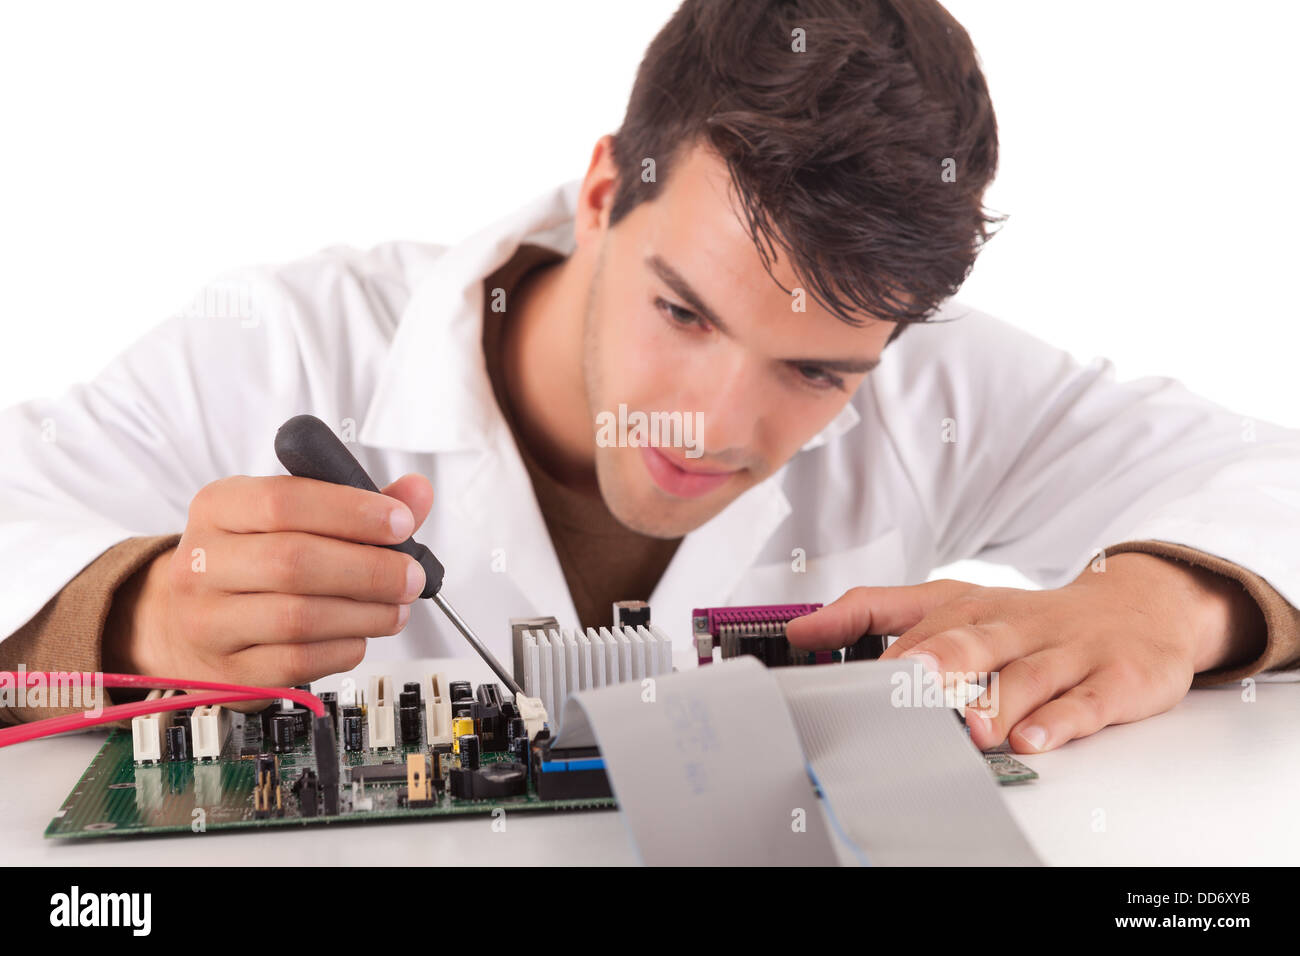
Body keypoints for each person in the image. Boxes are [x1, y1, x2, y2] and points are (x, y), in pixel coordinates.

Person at [2, 0, 1296, 754]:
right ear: (608, 189)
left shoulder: (929, 396)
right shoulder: (284, 342)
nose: (715, 426)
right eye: (682, 310)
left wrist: (1170, 608)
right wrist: (137, 622)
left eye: (816, 374)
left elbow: (1265, 476)